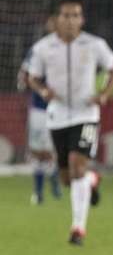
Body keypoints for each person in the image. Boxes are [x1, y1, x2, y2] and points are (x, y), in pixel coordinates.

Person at [27, 0, 113, 246]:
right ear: (58, 19)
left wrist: (105, 94)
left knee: (77, 167)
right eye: (66, 15)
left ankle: (78, 229)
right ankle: (91, 180)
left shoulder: (94, 44)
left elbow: (112, 69)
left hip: (86, 113)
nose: (70, 20)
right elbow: (32, 77)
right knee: (68, 178)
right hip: (57, 115)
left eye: (75, 15)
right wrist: (43, 90)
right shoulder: (43, 47)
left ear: (82, 19)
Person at [17, 15, 61, 205]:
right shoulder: (38, 48)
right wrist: (23, 83)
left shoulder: (71, 49)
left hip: (62, 108)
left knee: (57, 149)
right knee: (38, 151)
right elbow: (25, 74)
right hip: (39, 108)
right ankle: (38, 191)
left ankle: (54, 181)